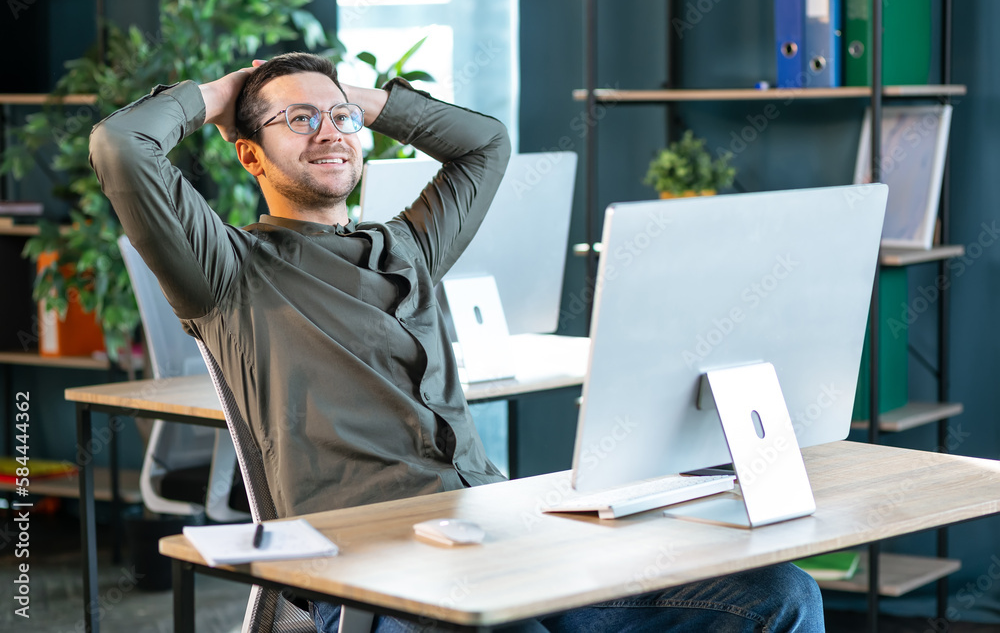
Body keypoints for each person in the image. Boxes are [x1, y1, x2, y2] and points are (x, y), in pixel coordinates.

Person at [90, 52, 823, 632]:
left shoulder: (410, 244)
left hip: (498, 536)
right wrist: (225, 94)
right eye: (298, 119)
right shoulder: (228, 270)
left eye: (339, 117)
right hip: (376, 573)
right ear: (250, 157)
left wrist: (357, 98)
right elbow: (121, 144)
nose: (329, 131)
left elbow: (485, 145)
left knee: (778, 594)